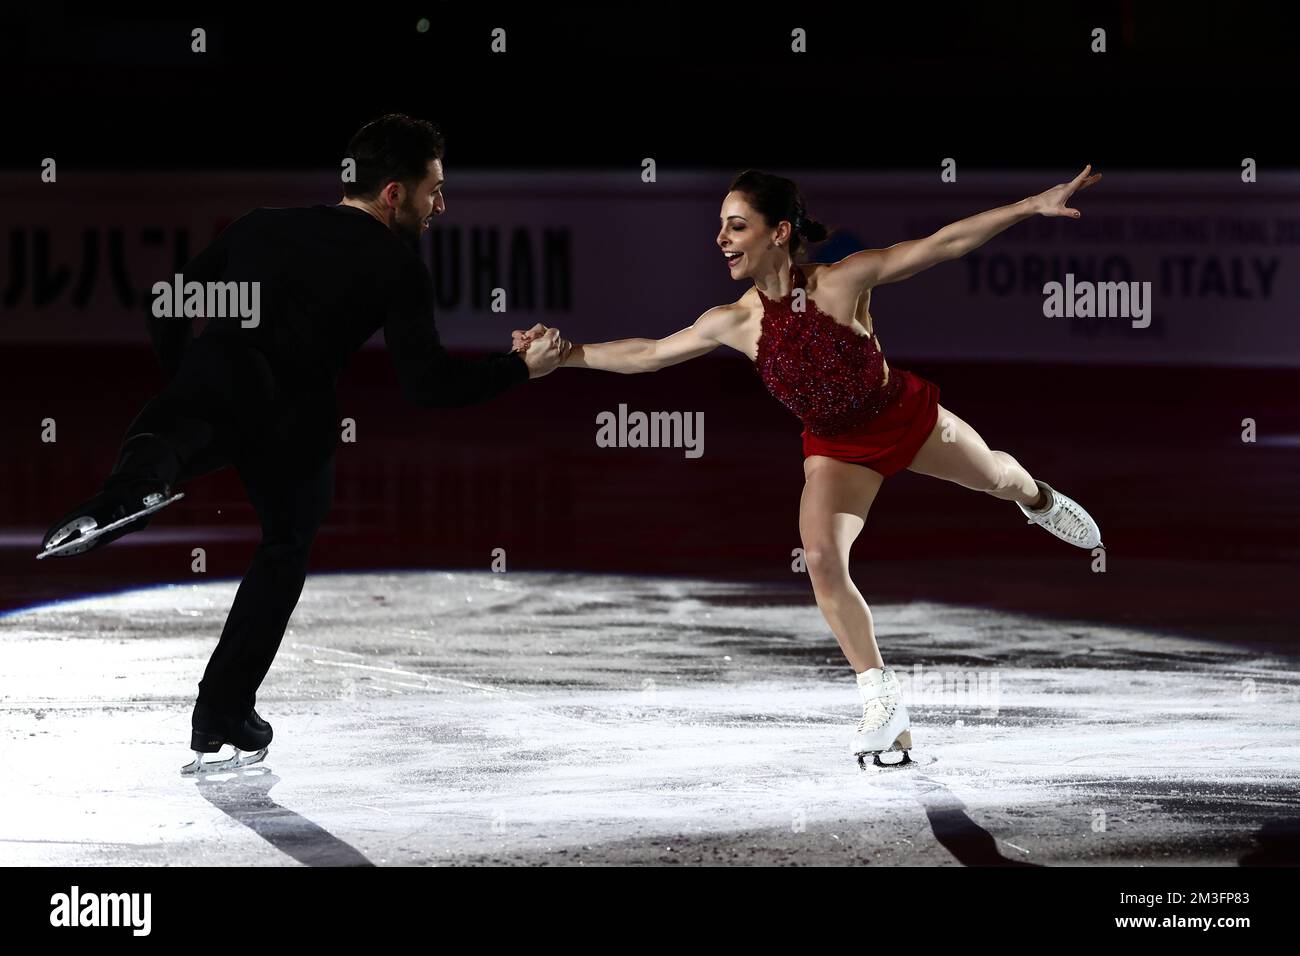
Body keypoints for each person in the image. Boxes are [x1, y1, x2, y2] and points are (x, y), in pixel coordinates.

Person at [513, 166, 1104, 767]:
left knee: (1002, 480)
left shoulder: (844, 281)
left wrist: (1034, 204)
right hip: (838, 448)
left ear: (779, 232)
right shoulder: (736, 321)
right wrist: (564, 358)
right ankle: (882, 700)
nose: (721, 237)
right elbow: (649, 354)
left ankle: (1042, 502)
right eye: (720, 225)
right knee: (822, 558)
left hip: (904, 417)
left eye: (736, 225)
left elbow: (942, 245)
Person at [38, 114, 571, 773]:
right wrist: (522, 367)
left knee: (162, 434)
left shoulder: (262, 224)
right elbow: (428, 385)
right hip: (296, 411)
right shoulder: (397, 264)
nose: (442, 205)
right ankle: (222, 709)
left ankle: (129, 490)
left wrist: (191, 381)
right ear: (394, 194)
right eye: (434, 189)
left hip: (223, 370)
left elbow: (165, 303)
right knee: (285, 546)